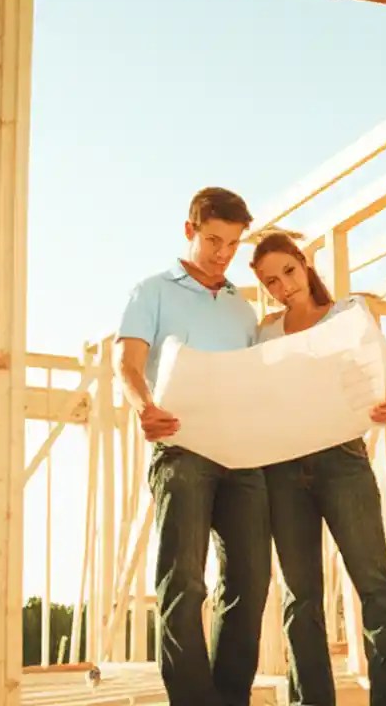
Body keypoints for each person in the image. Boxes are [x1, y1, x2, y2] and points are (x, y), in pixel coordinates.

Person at [250, 231, 386, 706]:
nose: (284, 285)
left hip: (342, 459)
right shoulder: (265, 332)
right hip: (283, 468)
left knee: (375, 582)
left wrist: (383, 405)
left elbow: (373, 379)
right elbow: (259, 399)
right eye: (271, 281)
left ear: (304, 264)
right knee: (300, 595)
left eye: (289, 271)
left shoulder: (348, 314)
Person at [114, 187, 270, 706]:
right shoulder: (152, 291)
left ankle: (230, 697)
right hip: (181, 450)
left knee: (251, 579)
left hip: (242, 456)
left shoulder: (243, 311)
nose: (223, 253)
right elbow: (127, 363)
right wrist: (143, 405)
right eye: (213, 240)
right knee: (184, 581)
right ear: (189, 231)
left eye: (233, 244)